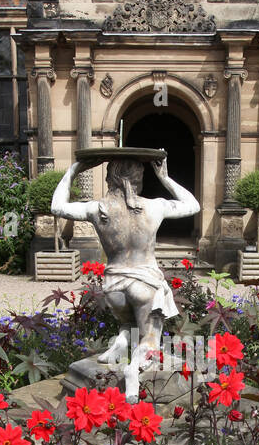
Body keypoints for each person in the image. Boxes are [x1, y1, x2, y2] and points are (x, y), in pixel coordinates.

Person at [51, 152, 200, 393]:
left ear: (111, 178)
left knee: (128, 322)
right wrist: (165, 178)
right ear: (137, 180)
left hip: (113, 285)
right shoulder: (155, 206)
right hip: (145, 283)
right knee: (149, 341)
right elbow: (193, 205)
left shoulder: (97, 209)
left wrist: (73, 171)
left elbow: (56, 206)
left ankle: (121, 342)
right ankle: (134, 370)